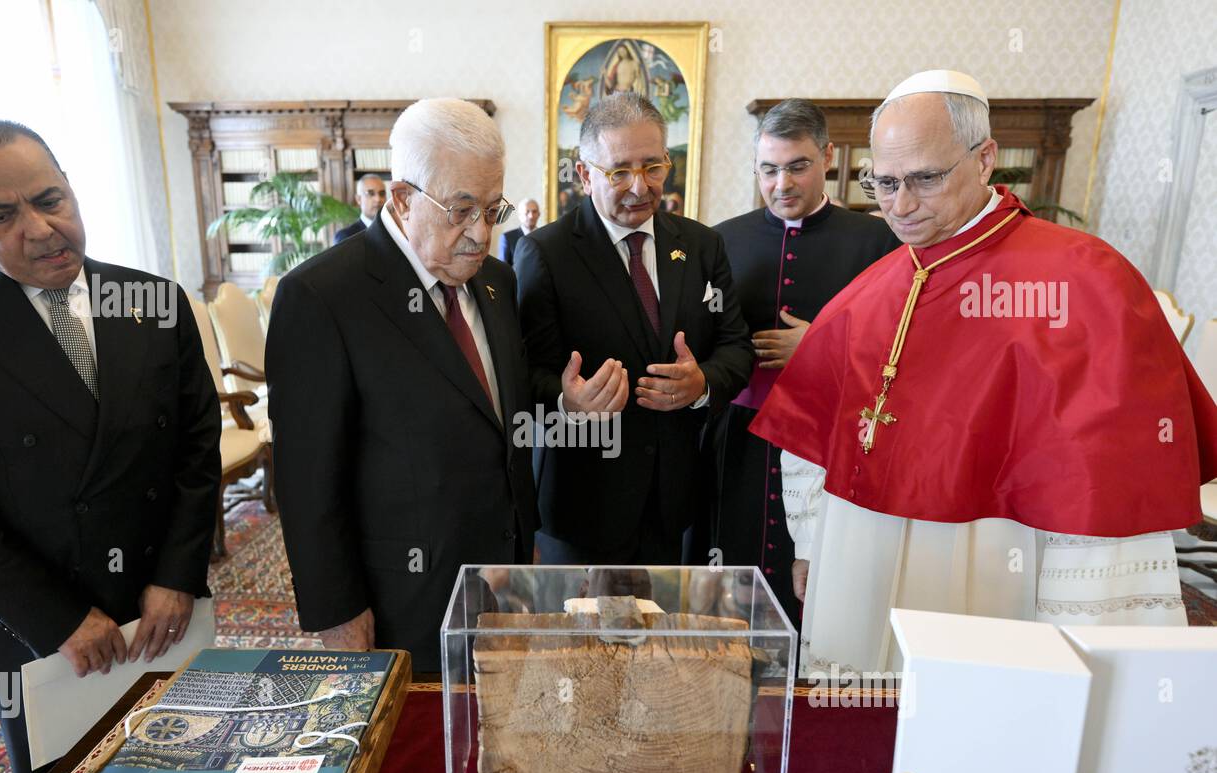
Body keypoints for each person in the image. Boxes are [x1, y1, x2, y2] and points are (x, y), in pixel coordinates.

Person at [750, 70, 1217, 673]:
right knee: (865, 716)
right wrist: (815, 546)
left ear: (985, 158)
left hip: (1002, 570)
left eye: (926, 178)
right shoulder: (872, 288)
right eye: (884, 182)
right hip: (862, 564)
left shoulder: (1082, 282)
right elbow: (811, 435)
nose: (901, 205)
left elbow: (1105, 484)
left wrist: (1082, 634)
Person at [0, 120, 220, 773]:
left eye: (49, 200)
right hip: (33, 632)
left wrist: (177, 575)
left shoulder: (154, 299)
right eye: (1, 215)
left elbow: (197, 450)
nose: (39, 230)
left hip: (160, 607)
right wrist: (57, 619)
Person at [266, 99, 538, 673]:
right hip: (400, 597)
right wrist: (337, 610)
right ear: (402, 199)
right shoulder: (322, 296)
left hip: (501, 580)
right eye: (461, 210)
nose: (481, 233)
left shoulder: (498, 282)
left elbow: (496, 421)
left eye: (493, 209)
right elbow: (307, 481)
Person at [515, 92, 753, 564]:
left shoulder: (702, 245)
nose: (640, 187)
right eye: (619, 172)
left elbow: (736, 346)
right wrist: (567, 401)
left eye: (653, 167)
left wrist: (702, 383)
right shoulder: (546, 254)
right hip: (583, 506)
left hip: (673, 502)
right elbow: (522, 374)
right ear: (585, 174)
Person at [697, 100, 899, 625]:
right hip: (738, 438)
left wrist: (821, 345)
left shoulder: (877, 242)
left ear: (827, 157)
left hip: (830, 440)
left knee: (814, 585)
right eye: (768, 169)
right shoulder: (721, 240)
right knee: (732, 575)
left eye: (798, 166)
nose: (781, 184)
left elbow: (902, 345)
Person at [334, 174, 387, 243]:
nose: (378, 199)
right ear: (358, 199)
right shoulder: (346, 236)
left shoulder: (393, 230)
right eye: (370, 193)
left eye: (382, 194)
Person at [497, 197, 539, 264]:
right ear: (520, 215)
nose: (531, 216)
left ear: (539, 214)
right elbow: (503, 266)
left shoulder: (545, 236)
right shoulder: (507, 238)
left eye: (534, 212)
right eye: (527, 212)